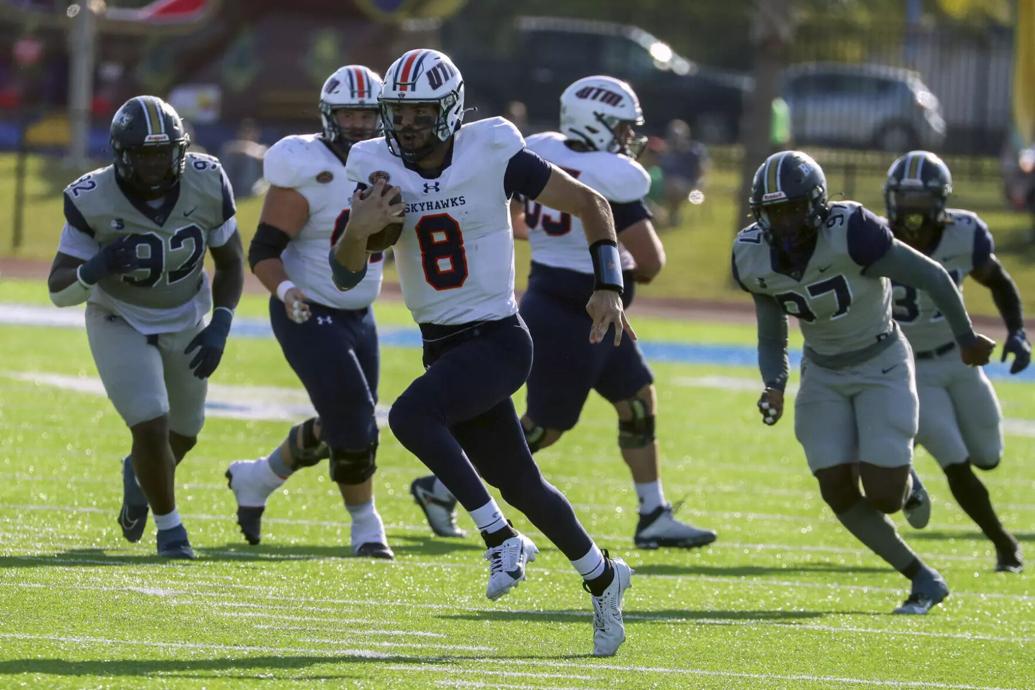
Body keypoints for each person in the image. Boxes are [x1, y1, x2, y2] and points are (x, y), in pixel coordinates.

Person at [330, 48, 632, 657]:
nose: (406, 125)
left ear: (448, 110)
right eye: (398, 113)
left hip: (498, 338)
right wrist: (359, 230)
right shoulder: (375, 165)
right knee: (522, 483)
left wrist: (609, 286)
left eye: (420, 113)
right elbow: (345, 275)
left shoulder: (492, 150)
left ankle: (498, 537)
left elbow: (592, 205)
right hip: (442, 348)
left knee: (410, 417)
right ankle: (603, 575)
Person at [412, 75, 715, 550]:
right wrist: (615, 265)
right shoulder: (610, 176)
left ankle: (653, 513)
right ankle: (441, 486)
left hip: (566, 303)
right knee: (543, 427)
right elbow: (651, 262)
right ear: (596, 123)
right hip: (577, 315)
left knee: (637, 401)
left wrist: (557, 239)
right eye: (621, 128)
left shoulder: (542, 153)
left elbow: (513, 218)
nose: (628, 139)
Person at [731, 150, 995, 614]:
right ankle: (923, 578)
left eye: (793, 209)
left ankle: (906, 482)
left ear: (816, 204)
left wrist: (965, 336)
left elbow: (932, 276)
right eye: (774, 212)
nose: (785, 222)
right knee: (834, 487)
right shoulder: (751, 254)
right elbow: (771, 334)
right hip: (823, 372)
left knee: (885, 497)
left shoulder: (851, 230)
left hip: (882, 363)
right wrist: (774, 383)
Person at [46, 95, 244, 559]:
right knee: (151, 421)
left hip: (186, 313)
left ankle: (138, 473)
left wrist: (221, 322)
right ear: (121, 153)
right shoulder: (91, 197)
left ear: (180, 150)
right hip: (119, 315)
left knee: (185, 431)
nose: (155, 164)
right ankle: (171, 530)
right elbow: (59, 290)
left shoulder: (208, 178)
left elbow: (232, 262)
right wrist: (95, 267)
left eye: (163, 152)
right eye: (143, 154)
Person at [225, 65, 392, 559]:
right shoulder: (306, 166)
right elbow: (263, 251)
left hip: (359, 313)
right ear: (328, 115)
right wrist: (286, 290)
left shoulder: (393, 162)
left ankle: (258, 478)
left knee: (345, 421)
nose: (358, 124)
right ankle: (366, 526)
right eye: (348, 114)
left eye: (367, 114)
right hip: (307, 308)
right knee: (355, 421)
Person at [885, 150, 1027, 573]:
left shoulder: (964, 234)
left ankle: (901, 458)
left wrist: (1017, 332)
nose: (911, 211)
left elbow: (998, 280)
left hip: (959, 358)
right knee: (955, 460)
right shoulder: (873, 239)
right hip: (912, 367)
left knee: (988, 456)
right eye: (904, 199)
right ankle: (1004, 544)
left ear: (940, 201)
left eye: (920, 200)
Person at [658, 119, 708, 229]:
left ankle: (673, 215)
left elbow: (701, 171)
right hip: (665, 185)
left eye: (677, 136)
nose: (675, 139)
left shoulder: (694, 151)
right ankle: (657, 216)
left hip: (689, 186)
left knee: (673, 186)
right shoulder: (665, 152)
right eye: (672, 135)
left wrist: (699, 185)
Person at [219, 118, 268, 197]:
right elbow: (226, 149)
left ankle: (244, 193)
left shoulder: (262, 147)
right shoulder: (232, 145)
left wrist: (248, 150)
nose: (247, 134)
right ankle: (224, 187)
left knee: (249, 158)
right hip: (233, 181)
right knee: (229, 157)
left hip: (254, 185)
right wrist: (245, 148)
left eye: (250, 131)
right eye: (244, 131)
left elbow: (261, 155)